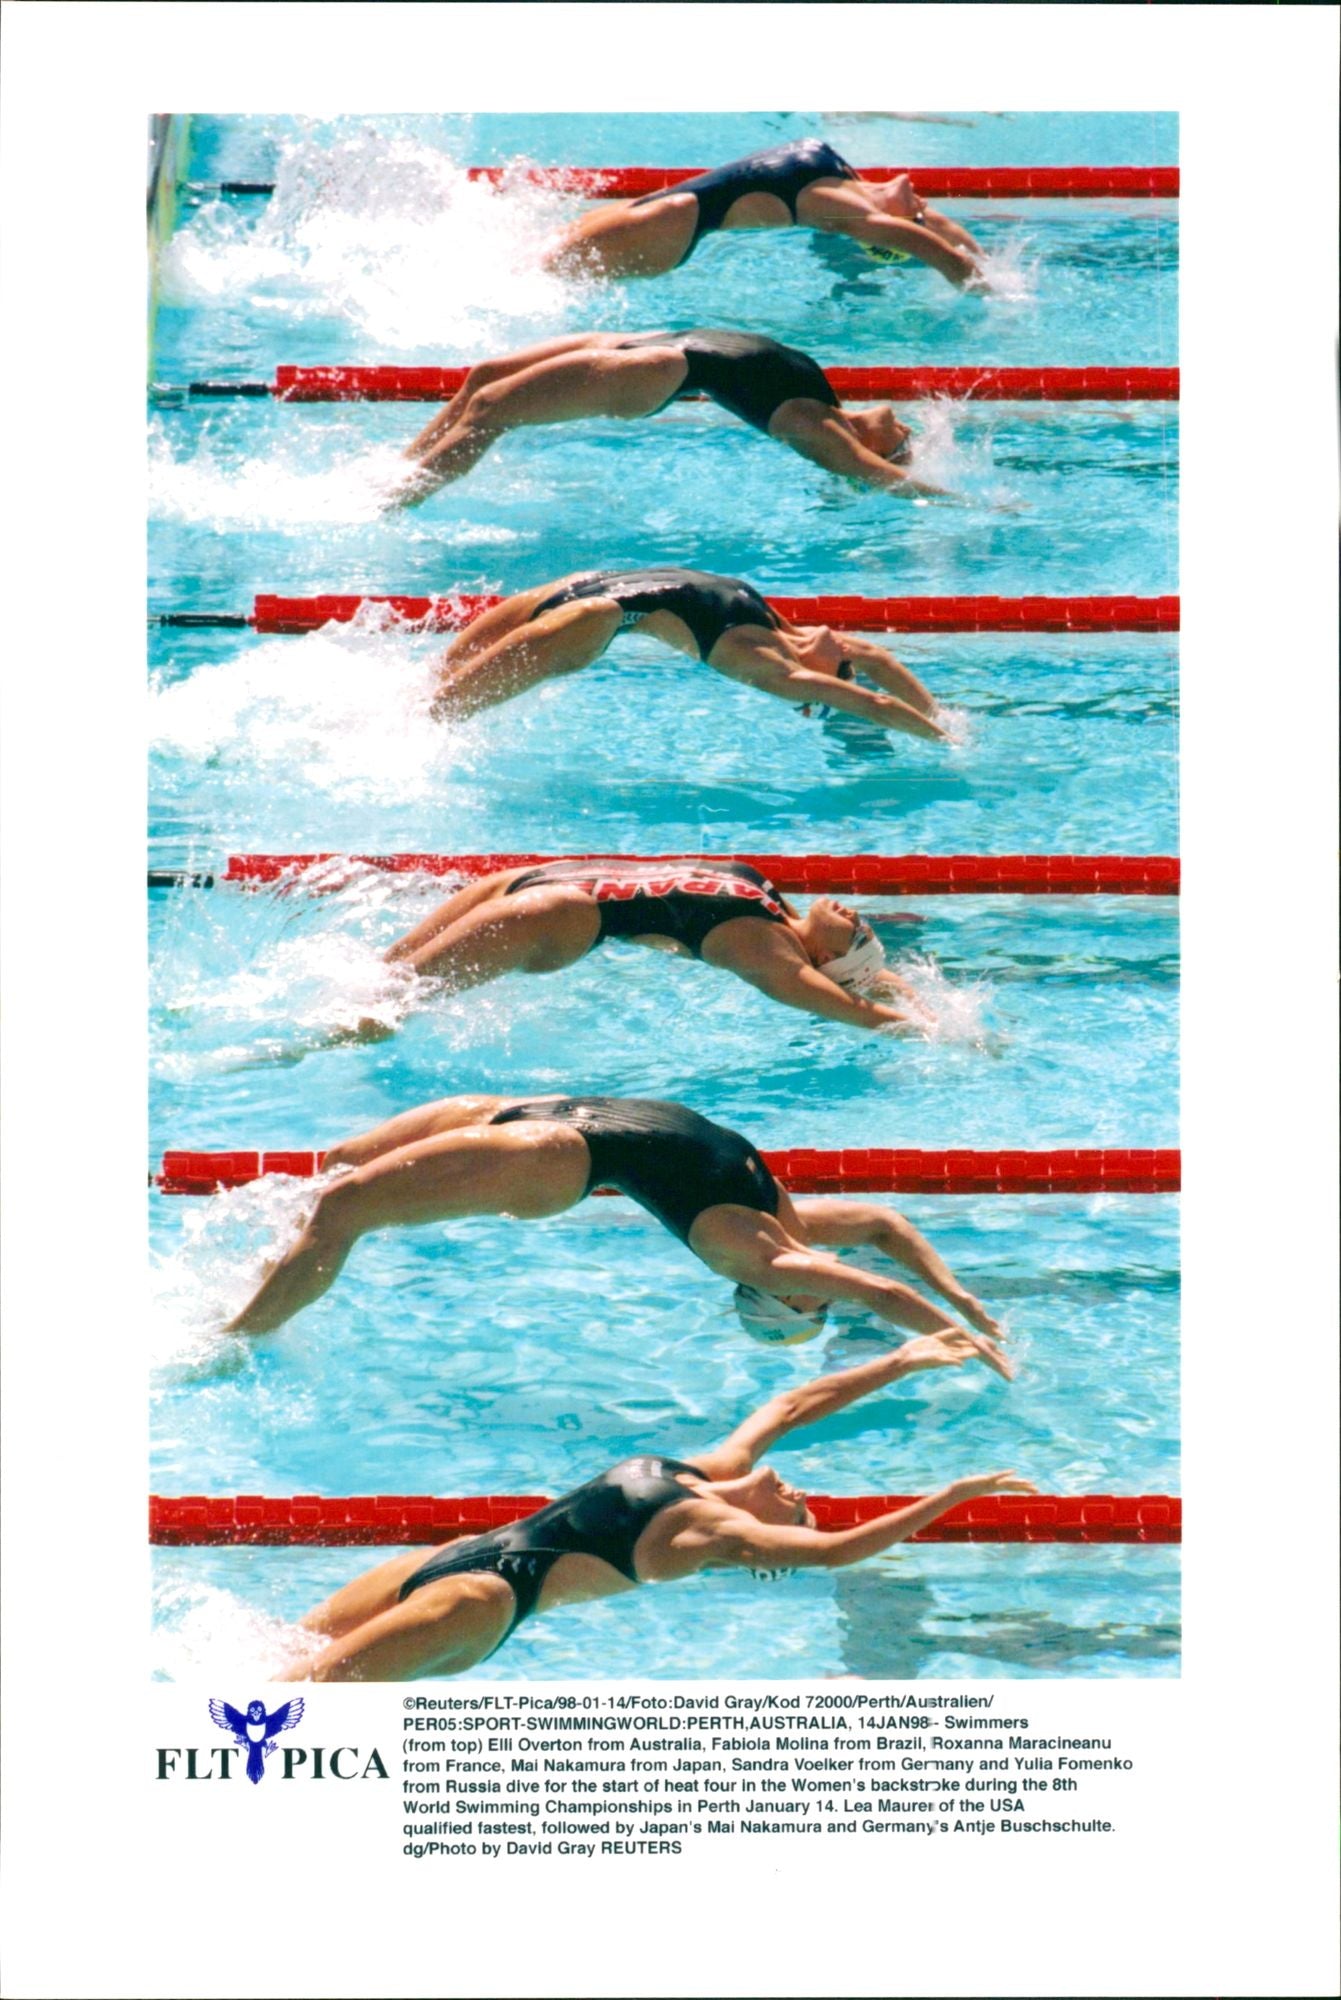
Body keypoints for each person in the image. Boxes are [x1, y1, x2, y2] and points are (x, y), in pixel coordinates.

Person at [280, 1333, 1033, 1681]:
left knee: (293, 1714)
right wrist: (899, 1360)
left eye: (798, 1513)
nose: (803, 1500)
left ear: (763, 1537)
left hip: (480, 1600)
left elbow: (839, 1549)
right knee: (269, 1660)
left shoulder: (712, 1531)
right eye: (804, 1502)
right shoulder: (707, 1473)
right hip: (444, 1563)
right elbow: (794, 1401)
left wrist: (954, 1495)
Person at [224, 1093, 1006, 1348]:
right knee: (330, 1175)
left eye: (814, 1305)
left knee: (342, 1208)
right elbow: (881, 1227)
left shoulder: (759, 1259)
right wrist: (963, 1300)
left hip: (550, 1154)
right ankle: (246, 1281)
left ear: (783, 1300)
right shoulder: (791, 1226)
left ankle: (235, 1340)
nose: (824, 1294)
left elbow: (873, 1289)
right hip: (544, 1107)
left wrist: (949, 1335)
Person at [388, 328, 944, 503]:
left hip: (657, 370)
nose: (908, 430)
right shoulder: (824, 397)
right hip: (642, 342)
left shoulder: (816, 428)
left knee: (490, 412)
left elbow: (881, 479)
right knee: (485, 378)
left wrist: (982, 505)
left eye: (901, 442)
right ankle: (401, 471)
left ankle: (393, 502)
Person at [378, 859, 925, 1032]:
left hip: (551, 917)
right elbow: (870, 979)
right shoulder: (770, 898)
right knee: (383, 974)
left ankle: (296, 1053)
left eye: (858, 933)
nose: (859, 917)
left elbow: (843, 1004)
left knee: (383, 1007)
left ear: (825, 959)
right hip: (534, 880)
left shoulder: (769, 953)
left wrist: (928, 1031)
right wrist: (922, 996)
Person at [423, 566, 946, 733]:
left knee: (437, 713)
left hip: (592, 618)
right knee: (427, 685)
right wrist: (940, 711)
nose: (850, 654)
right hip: (581, 585)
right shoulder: (786, 629)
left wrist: (945, 741)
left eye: (842, 673)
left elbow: (874, 703)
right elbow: (883, 661)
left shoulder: (767, 666)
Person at [542, 140, 983, 288]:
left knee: (544, 274)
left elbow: (918, 239)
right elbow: (935, 229)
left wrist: (975, 282)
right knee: (539, 255)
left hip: (671, 228)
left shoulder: (841, 209)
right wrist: (985, 261)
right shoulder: (846, 175)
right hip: (667, 208)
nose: (926, 209)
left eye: (917, 215)